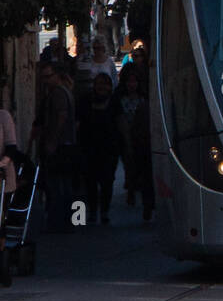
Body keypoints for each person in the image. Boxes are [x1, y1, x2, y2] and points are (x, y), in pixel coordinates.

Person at [34, 60, 77, 234]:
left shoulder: (59, 93)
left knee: (58, 184)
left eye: (48, 76)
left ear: (57, 76)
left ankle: (60, 219)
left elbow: (61, 116)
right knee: (63, 184)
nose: (45, 80)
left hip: (61, 145)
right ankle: (65, 219)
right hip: (65, 143)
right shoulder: (62, 91)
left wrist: (52, 141)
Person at [79, 73, 122, 225]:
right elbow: (79, 123)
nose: (101, 87)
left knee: (107, 182)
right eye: (98, 84)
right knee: (90, 181)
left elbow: (120, 124)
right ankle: (92, 211)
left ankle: (104, 211)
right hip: (89, 148)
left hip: (109, 149)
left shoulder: (115, 102)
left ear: (110, 86)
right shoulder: (86, 101)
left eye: (104, 84)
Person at [116, 67, 155, 220]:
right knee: (131, 168)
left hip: (143, 139)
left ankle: (146, 203)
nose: (132, 84)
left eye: (135, 81)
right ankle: (131, 190)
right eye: (129, 81)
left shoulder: (144, 99)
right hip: (127, 138)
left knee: (145, 173)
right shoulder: (120, 99)